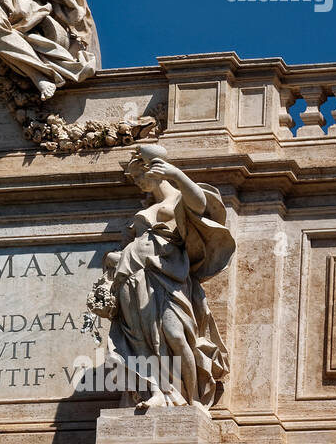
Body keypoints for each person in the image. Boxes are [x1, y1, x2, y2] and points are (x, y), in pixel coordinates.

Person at [94, 144, 233, 409]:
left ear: (152, 170)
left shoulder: (179, 198)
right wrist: (114, 260)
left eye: (138, 176)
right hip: (132, 275)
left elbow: (200, 204)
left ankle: (190, 399)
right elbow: (130, 245)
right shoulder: (150, 207)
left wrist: (175, 174)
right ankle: (158, 392)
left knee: (176, 335)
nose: (137, 183)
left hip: (168, 275)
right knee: (141, 339)